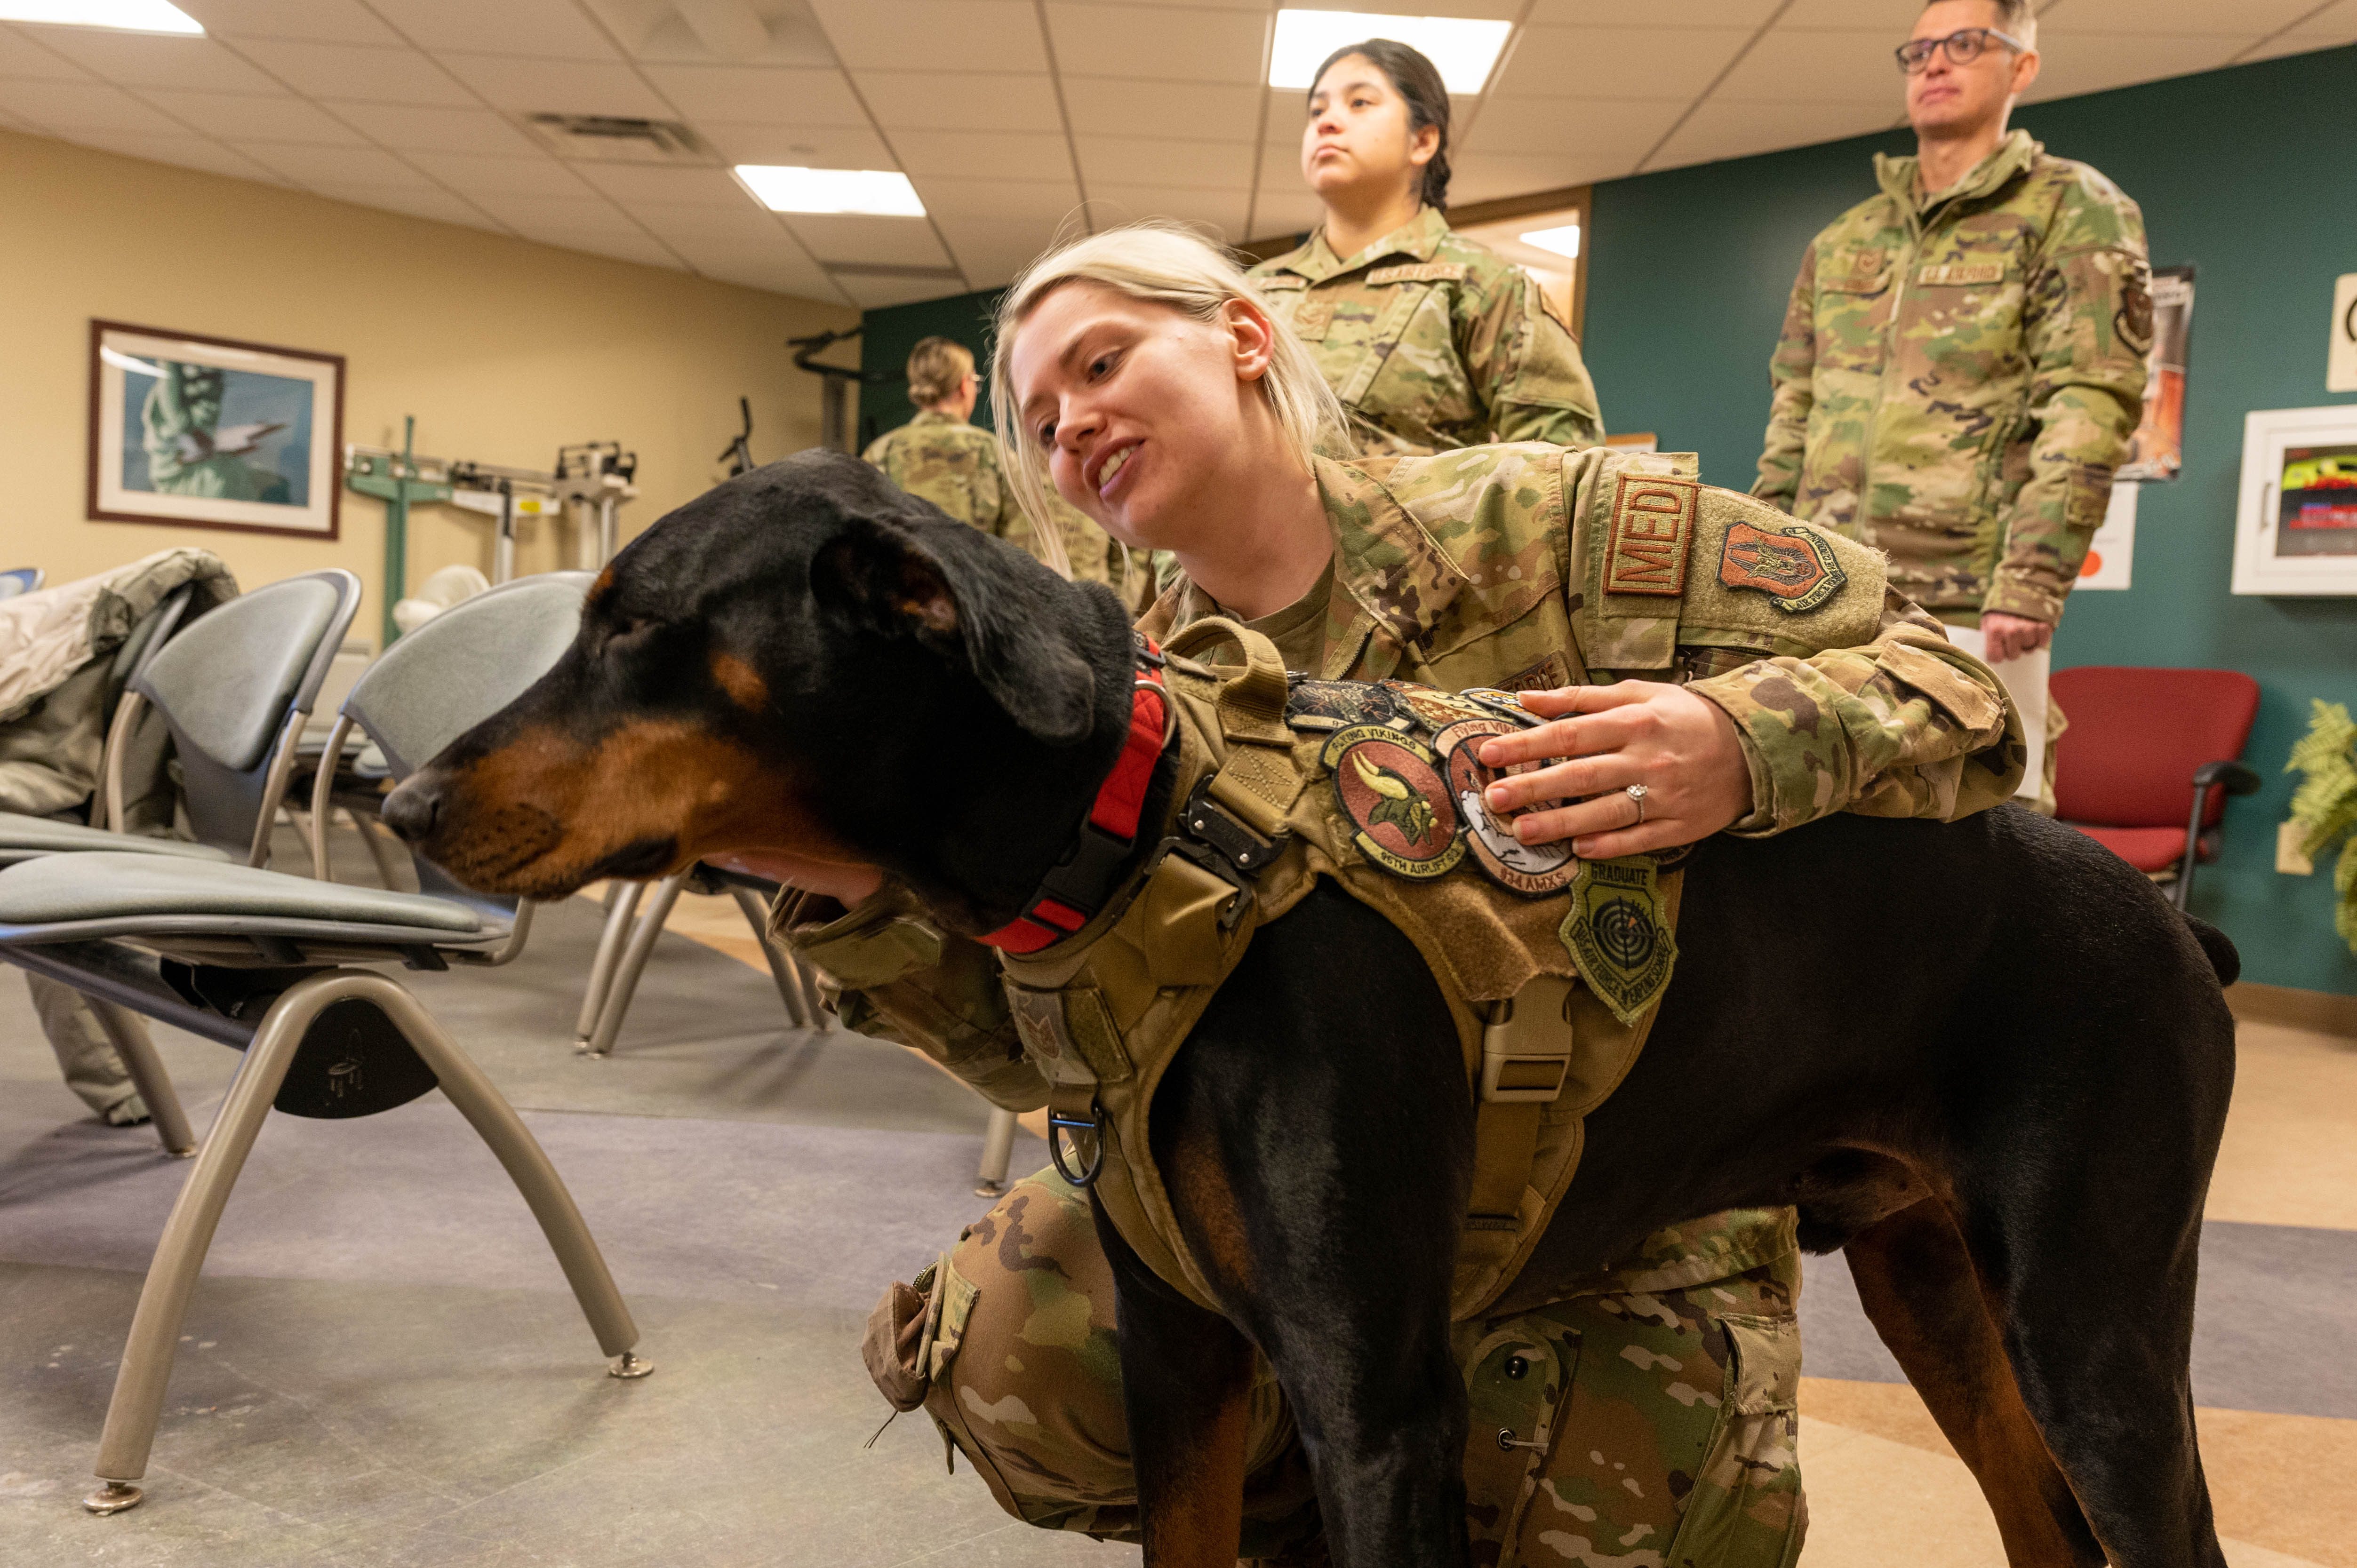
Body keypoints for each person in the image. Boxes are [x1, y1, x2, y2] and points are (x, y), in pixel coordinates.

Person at [766, 225, 2019, 1565]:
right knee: (1023, 1354)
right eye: (1038, 420)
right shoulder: (1122, 690)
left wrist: (1735, 743)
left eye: (1102, 361)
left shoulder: (1543, 526)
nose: (1070, 421)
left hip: (1622, 1204)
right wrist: (857, 894)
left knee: (1587, 1520)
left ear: (1244, 337)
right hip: (1303, 1190)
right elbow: (1052, 1050)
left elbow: (1959, 691)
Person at [1753, 0, 2150, 810]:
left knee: (1988, 831)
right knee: (1817, 819)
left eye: (1964, 44)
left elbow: (2088, 399)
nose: (1934, 63)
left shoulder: (2072, 208)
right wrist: (1759, 560)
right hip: (1823, 585)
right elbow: (1793, 408)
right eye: (1920, 50)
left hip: (1969, 593)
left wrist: (2031, 577)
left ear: (2021, 66)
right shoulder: (1844, 239)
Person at [1245, 39, 1605, 457]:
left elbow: (1563, 469)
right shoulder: (1254, 291)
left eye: (1359, 103)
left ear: (1422, 142)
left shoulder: (1483, 285)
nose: (1327, 122)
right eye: (1316, 111)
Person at [861, 335, 1129, 591]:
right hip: (974, 608)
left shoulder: (879, 453)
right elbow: (1021, 553)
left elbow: (861, 540)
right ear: (964, 386)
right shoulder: (994, 453)